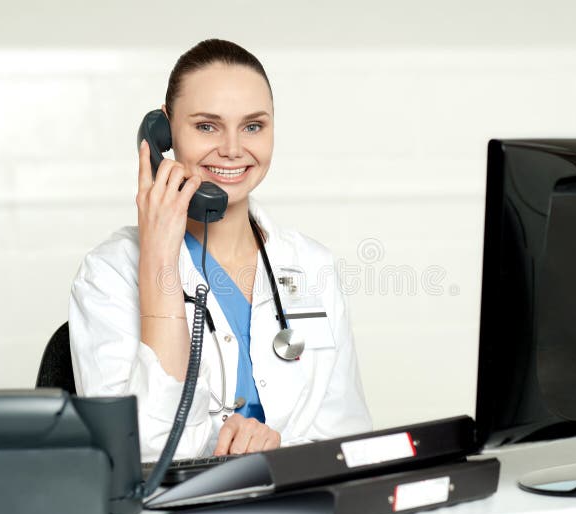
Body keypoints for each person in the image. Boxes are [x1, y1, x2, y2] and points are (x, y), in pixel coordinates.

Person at [69, 39, 371, 462]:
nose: (232, 148)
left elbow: (348, 440)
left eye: (253, 126)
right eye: (207, 126)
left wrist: (277, 451)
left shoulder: (311, 265)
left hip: (296, 507)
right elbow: (144, 456)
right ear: (164, 133)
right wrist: (159, 261)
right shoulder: (110, 272)